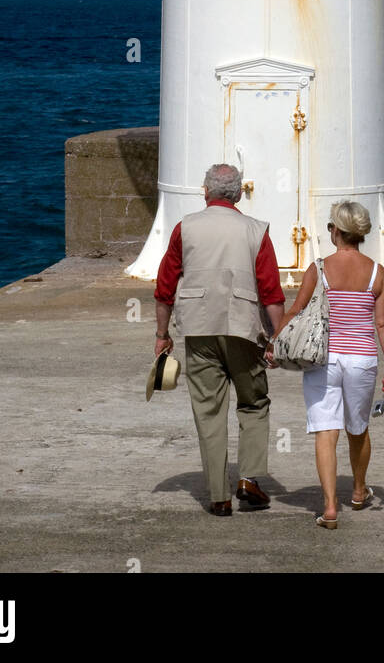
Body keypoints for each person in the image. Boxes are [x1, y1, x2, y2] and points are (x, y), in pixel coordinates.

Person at [154, 163, 285, 517]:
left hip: (199, 329)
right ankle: (249, 480)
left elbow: (165, 287)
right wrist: (276, 338)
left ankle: (218, 495)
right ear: (239, 193)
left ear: (205, 191)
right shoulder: (256, 230)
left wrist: (162, 335)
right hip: (244, 329)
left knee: (209, 412)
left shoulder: (186, 228)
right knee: (254, 403)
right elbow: (271, 292)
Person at [269, 200, 384, 528]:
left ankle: (329, 507)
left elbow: (296, 311)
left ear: (336, 232)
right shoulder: (376, 273)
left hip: (323, 359)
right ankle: (357, 490)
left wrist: (274, 345)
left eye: (330, 227)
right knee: (358, 428)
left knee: (326, 431)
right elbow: (382, 324)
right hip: (362, 360)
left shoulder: (319, 269)